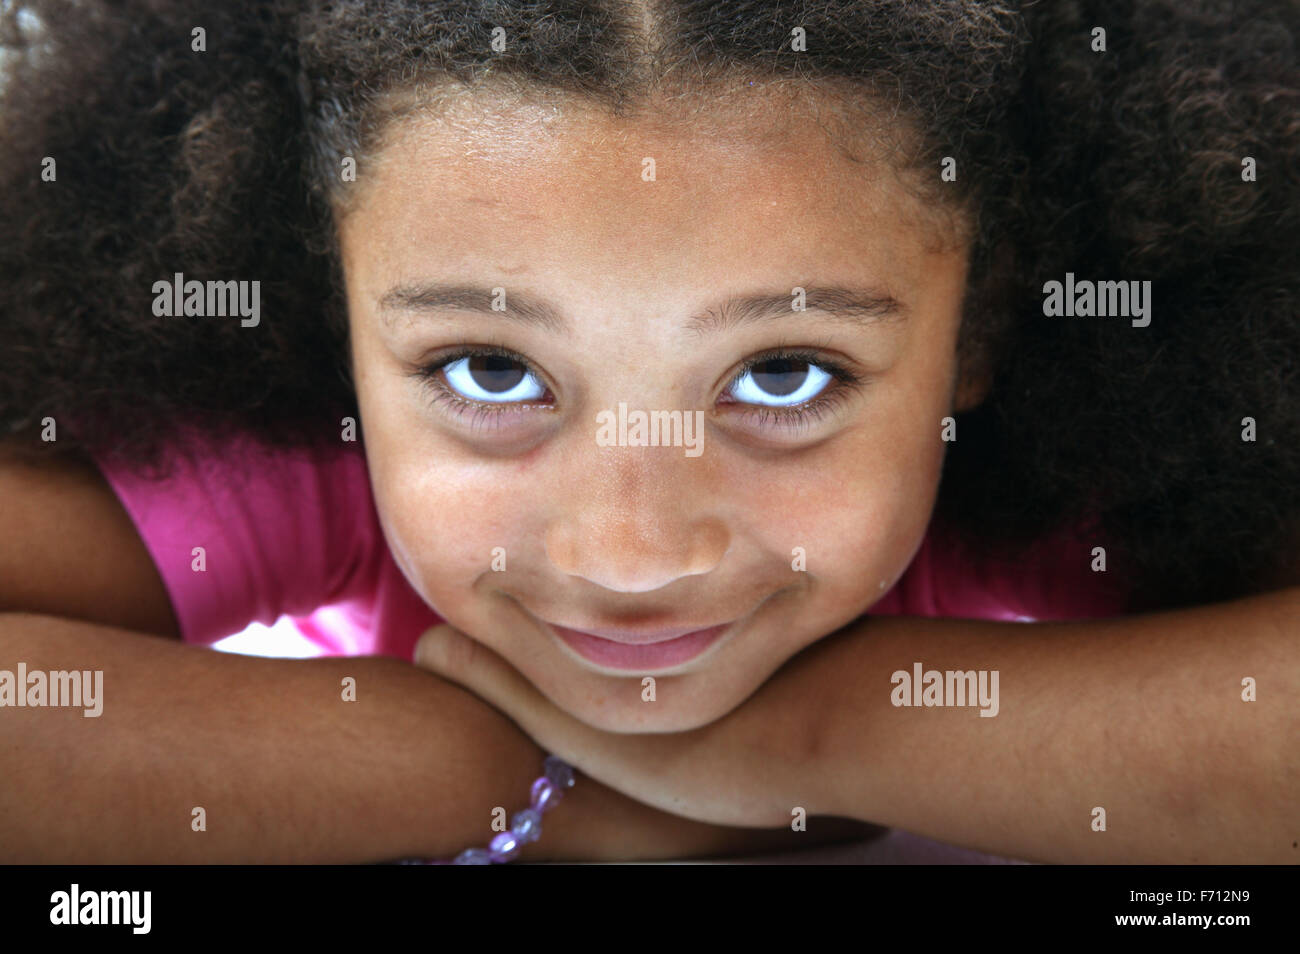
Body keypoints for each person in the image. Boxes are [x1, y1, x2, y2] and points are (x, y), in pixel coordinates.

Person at [1, 0, 1296, 863]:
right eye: (492, 369)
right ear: (327, 303)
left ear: (977, 331)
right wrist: (494, 773)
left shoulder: (1093, 487)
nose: (632, 552)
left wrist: (809, 737)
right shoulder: (312, 454)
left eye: (785, 372)